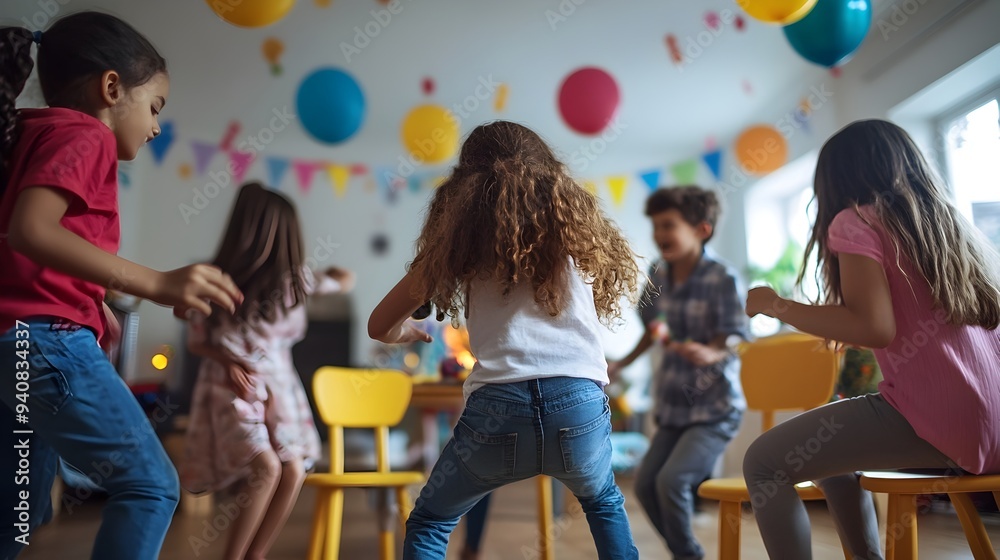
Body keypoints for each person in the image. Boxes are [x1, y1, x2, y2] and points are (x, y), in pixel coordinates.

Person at [0, 12, 242, 559]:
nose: (157, 126)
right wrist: (156, 282)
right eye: (154, 107)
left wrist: (88, 299)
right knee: (151, 485)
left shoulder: (29, 132)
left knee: (16, 512)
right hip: (43, 348)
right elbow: (30, 230)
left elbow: (29, 251)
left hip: (12, 351)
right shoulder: (87, 133)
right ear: (112, 88)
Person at [369, 121, 641, 560]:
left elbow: (379, 325)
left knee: (431, 521)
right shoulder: (579, 236)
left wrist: (406, 333)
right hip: (578, 405)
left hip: (497, 413)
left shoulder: (459, 247)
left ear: (464, 188)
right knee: (603, 502)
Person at [742, 119, 1000, 559]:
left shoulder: (855, 220)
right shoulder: (948, 227)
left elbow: (873, 327)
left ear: (836, 182)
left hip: (943, 418)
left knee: (762, 464)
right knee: (829, 460)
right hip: (992, 420)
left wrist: (777, 306)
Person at [180, 182, 354, 560]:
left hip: (280, 383)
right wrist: (227, 360)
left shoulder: (295, 283)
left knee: (293, 468)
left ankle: (255, 554)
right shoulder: (214, 281)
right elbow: (196, 341)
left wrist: (339, 275)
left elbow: (343, 280)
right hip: (232, 387)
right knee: (266, 465)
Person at [610, 186, 747, 560]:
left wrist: (712, 350)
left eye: (668, 225)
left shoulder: (723, 277)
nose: (659, 234)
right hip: (673, 409)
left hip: (714, 409)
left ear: (702, 229)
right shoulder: (657, 272)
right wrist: (622, 362)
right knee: (645, 485)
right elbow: (653, 328)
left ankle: (688, 556)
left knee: (672, 481)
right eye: (655, 226)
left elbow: (734, 333)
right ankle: (687, 554)